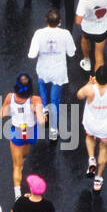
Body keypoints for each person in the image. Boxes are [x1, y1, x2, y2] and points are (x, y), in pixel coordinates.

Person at [28, 9, 75, 140]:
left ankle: (44, 111)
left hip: (43, 70)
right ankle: (54, 129)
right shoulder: (65, 34)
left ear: (46, 20)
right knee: (55, 101)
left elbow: (32, 55)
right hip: (58, 72)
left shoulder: (39, 33)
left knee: (43, 91)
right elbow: (71, 53)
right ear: (60, 22)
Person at [78, 66, 107, 193]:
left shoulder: (89, 89)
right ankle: (98, 179)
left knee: (89, 137)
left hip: (91, 123)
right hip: (106, 127)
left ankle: (91, 159)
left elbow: (79, 95)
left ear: (96, 78)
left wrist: (89, 83)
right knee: (103, 147)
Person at [1, 74, 45, 196]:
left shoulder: (10, 97)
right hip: (31, 131)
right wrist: (42, 115)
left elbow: (3, 114)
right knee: (26, 145)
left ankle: (17, 195)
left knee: (16, 165)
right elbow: (41, 121)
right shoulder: (35, 100)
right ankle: (24, 159)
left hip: (17, 131)